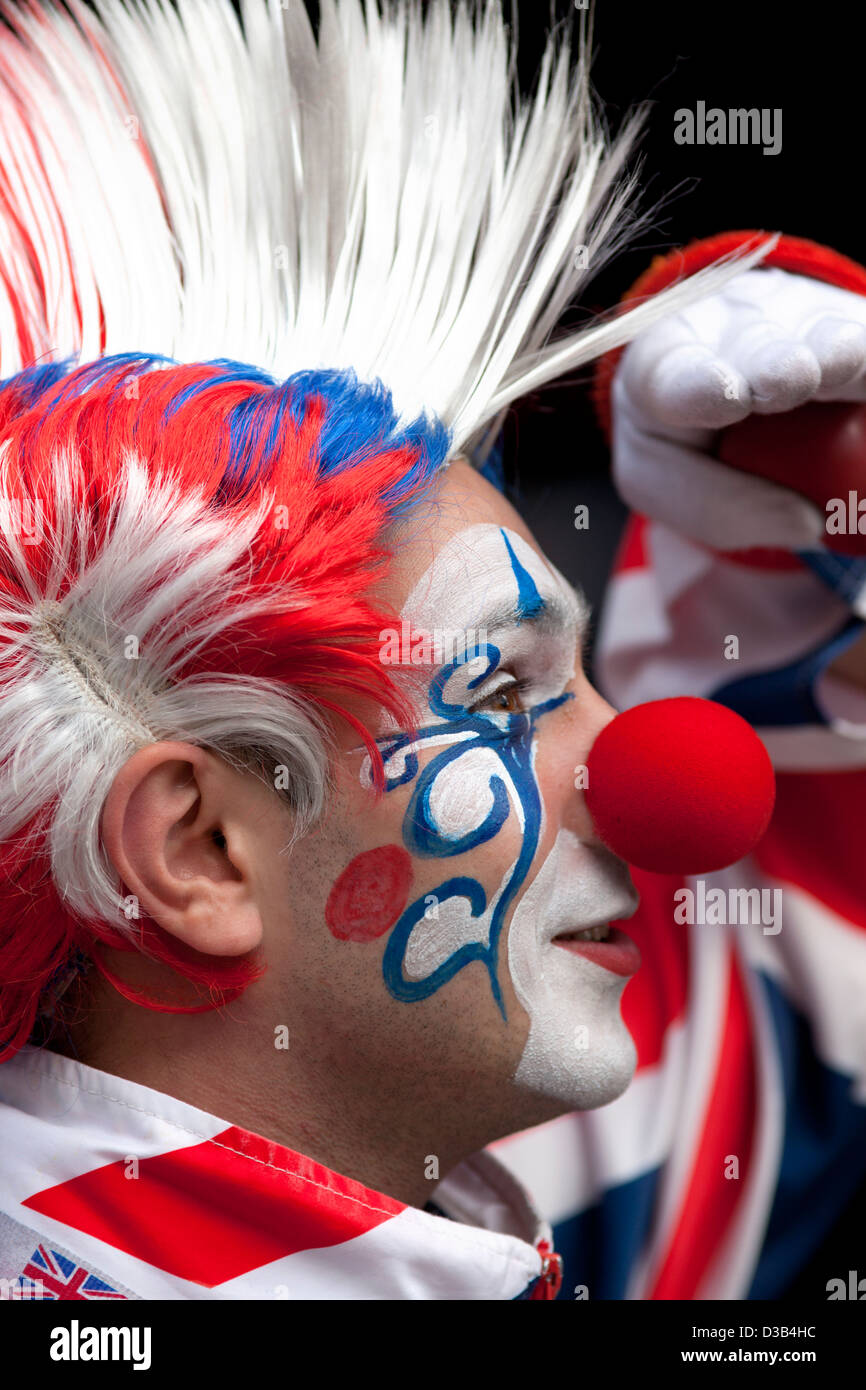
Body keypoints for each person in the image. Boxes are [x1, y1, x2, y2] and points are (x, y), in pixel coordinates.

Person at [0, 0, 863, 1302]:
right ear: (198, 848)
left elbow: (799, 992)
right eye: (508, 687)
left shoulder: (489, 1209)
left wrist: (803, 514)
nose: (655, 774)